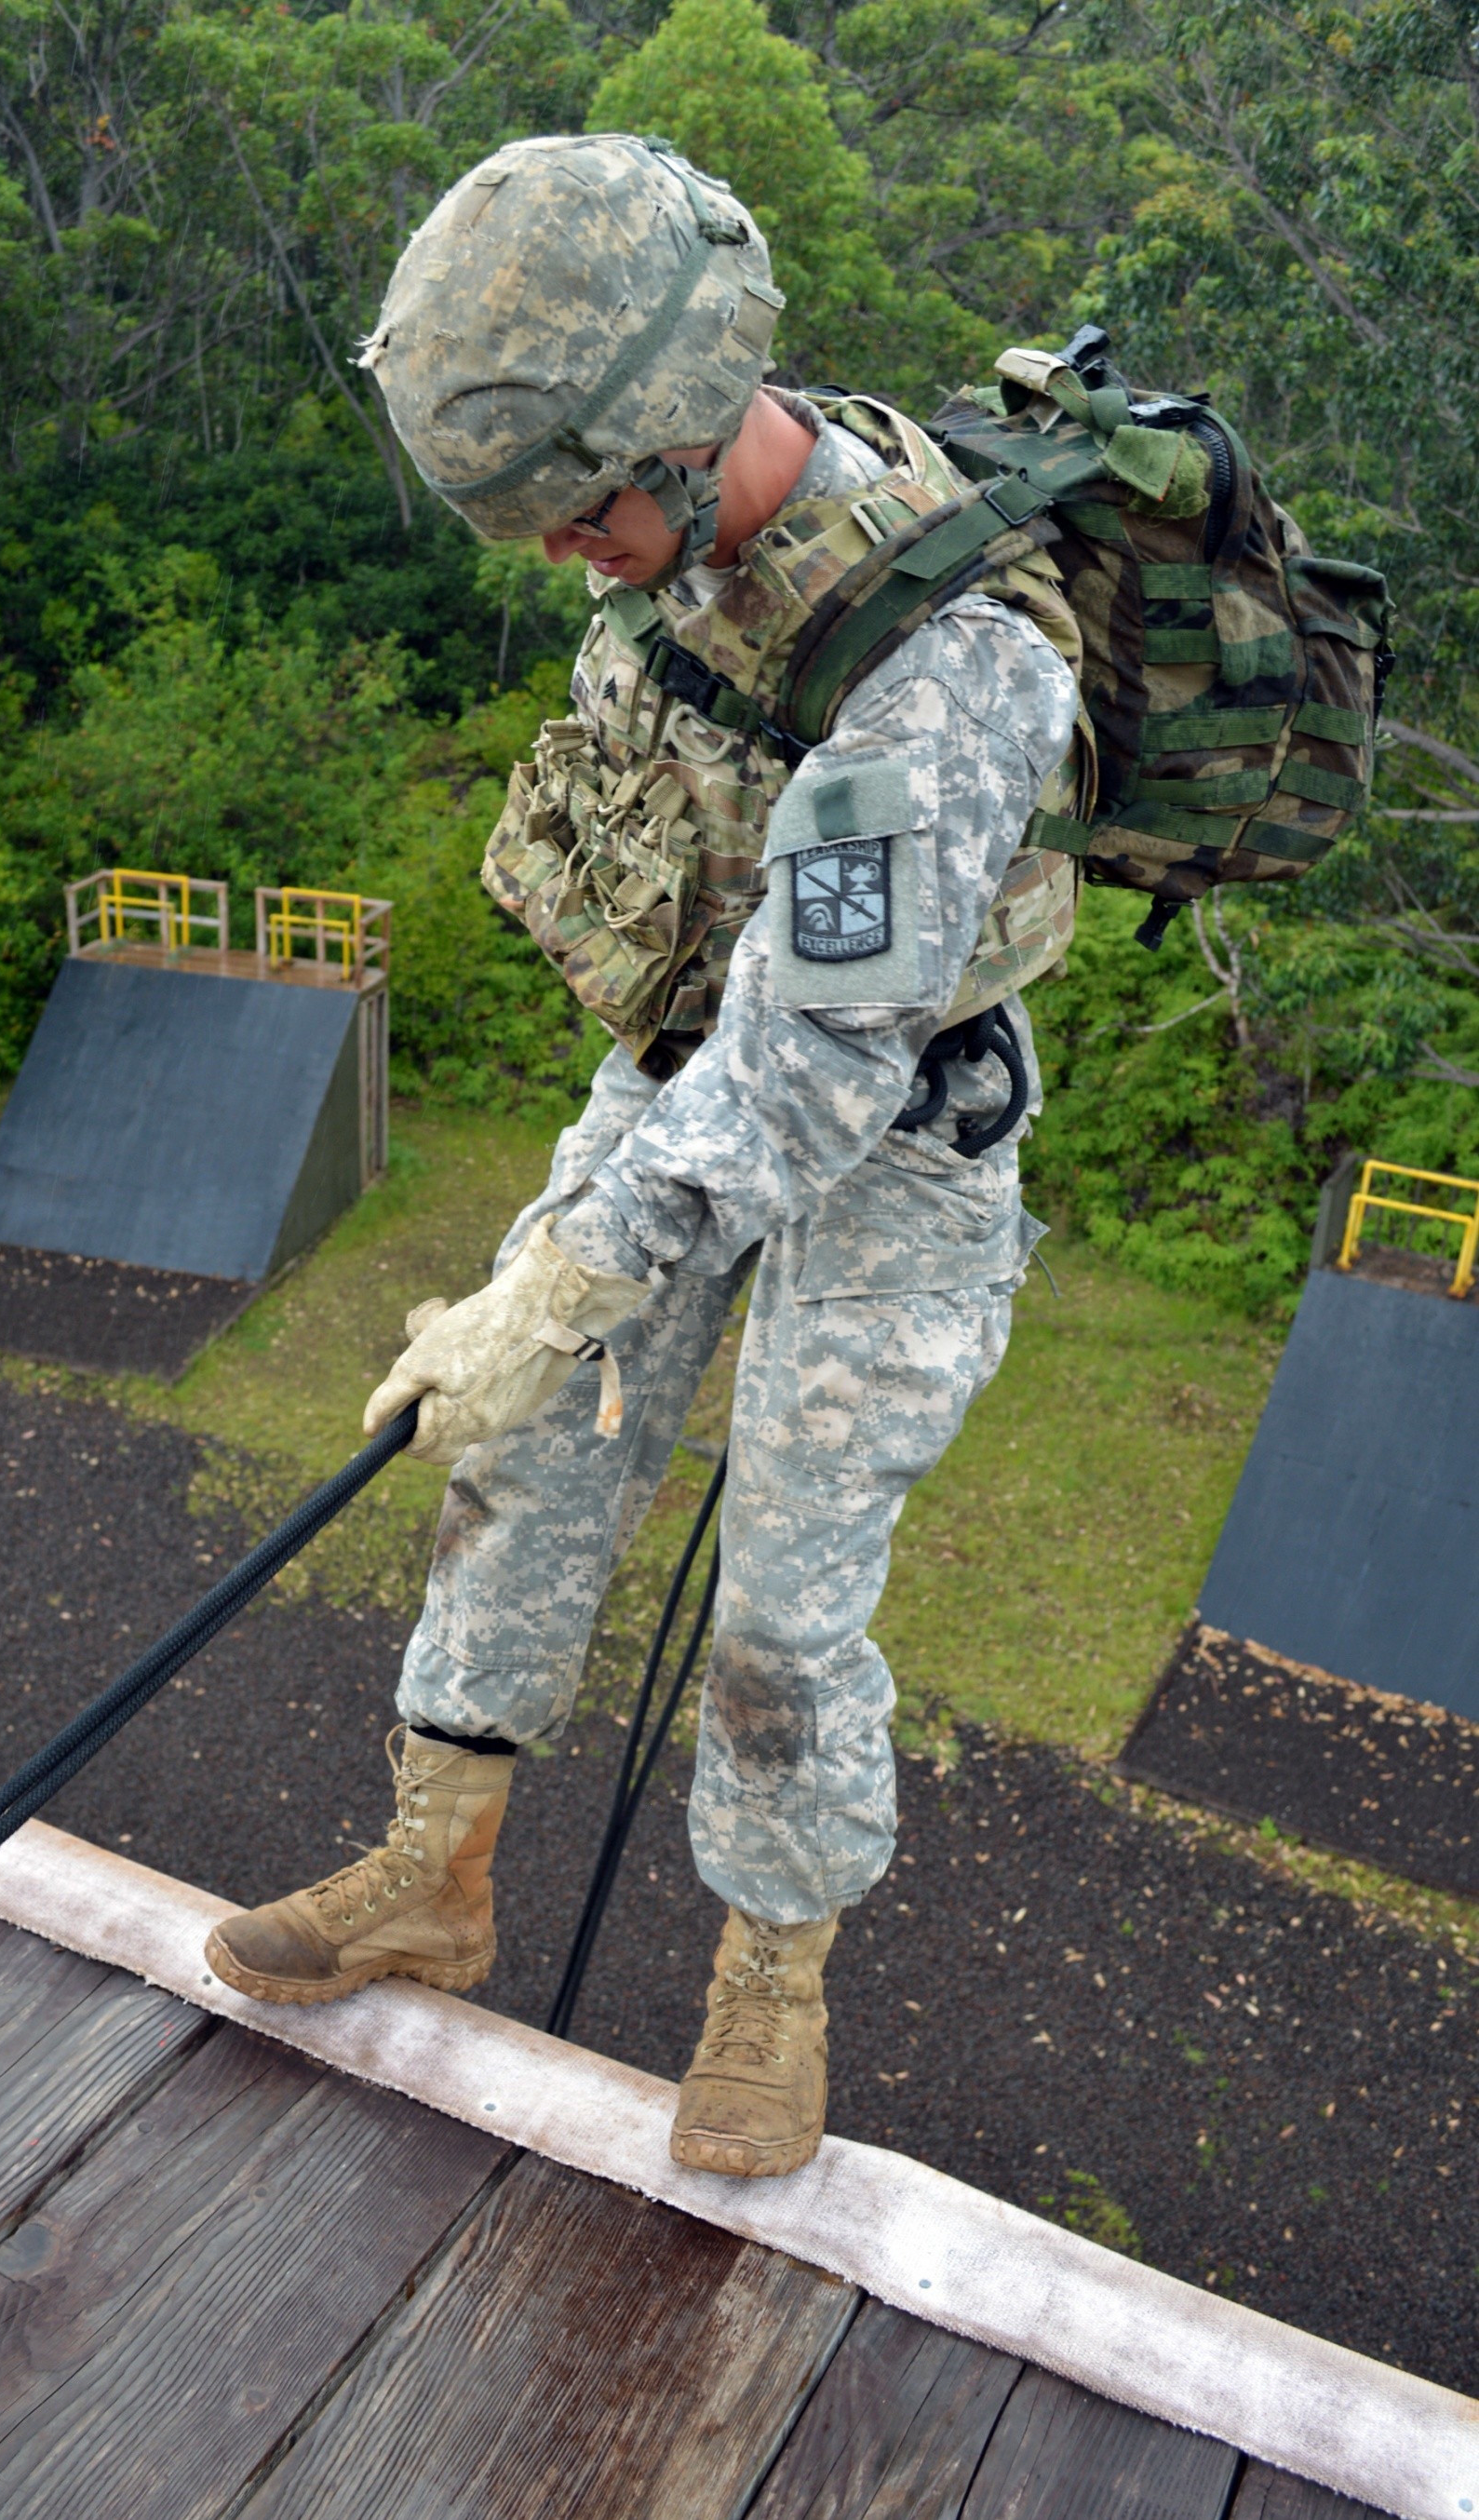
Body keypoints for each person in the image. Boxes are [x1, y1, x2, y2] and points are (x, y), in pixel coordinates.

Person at [206, 132, 1082, 2180]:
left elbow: (811, 1071)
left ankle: (772, 1987)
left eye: (578, 514)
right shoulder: (674, 531)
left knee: (784, 1595)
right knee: (513, 1460)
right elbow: (709, 993)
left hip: (893, 1125)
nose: (559, 558)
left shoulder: (950, 658)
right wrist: (550, 1301)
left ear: (686, 433)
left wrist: (564, 1275)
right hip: (684, 1063)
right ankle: (436, 1870)